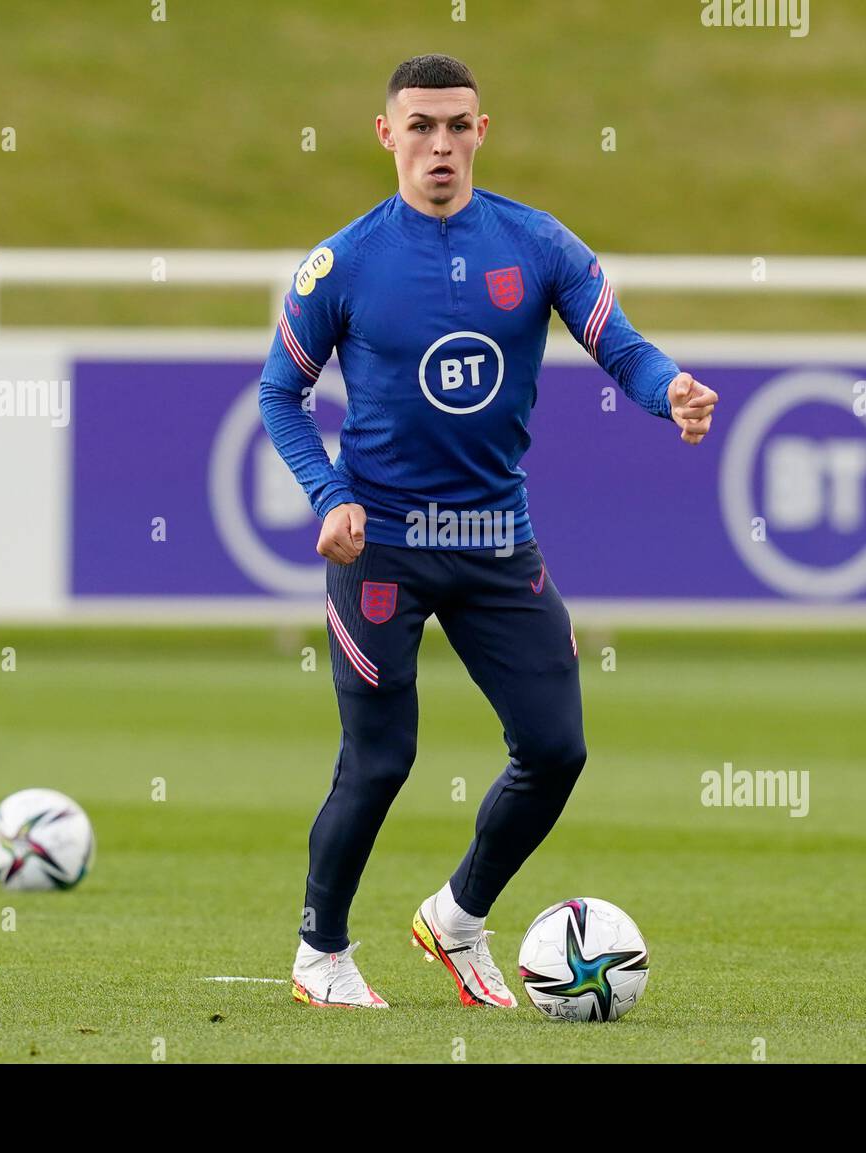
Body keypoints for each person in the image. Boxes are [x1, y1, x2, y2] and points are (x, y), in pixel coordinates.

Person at [260, 53, 718, 1009]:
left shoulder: (536, 242)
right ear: (385, 134)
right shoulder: (341, 264)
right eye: (420, 125)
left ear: (482, 133)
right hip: (381, 542)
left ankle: (458, 918)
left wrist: (667, 388)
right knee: (381, 759)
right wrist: (327, 494)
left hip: (495, 539)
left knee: (557, 750)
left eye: (457, 125)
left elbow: (618, 342)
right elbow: (281, 393)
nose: (440, 144)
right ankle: (321, 954)